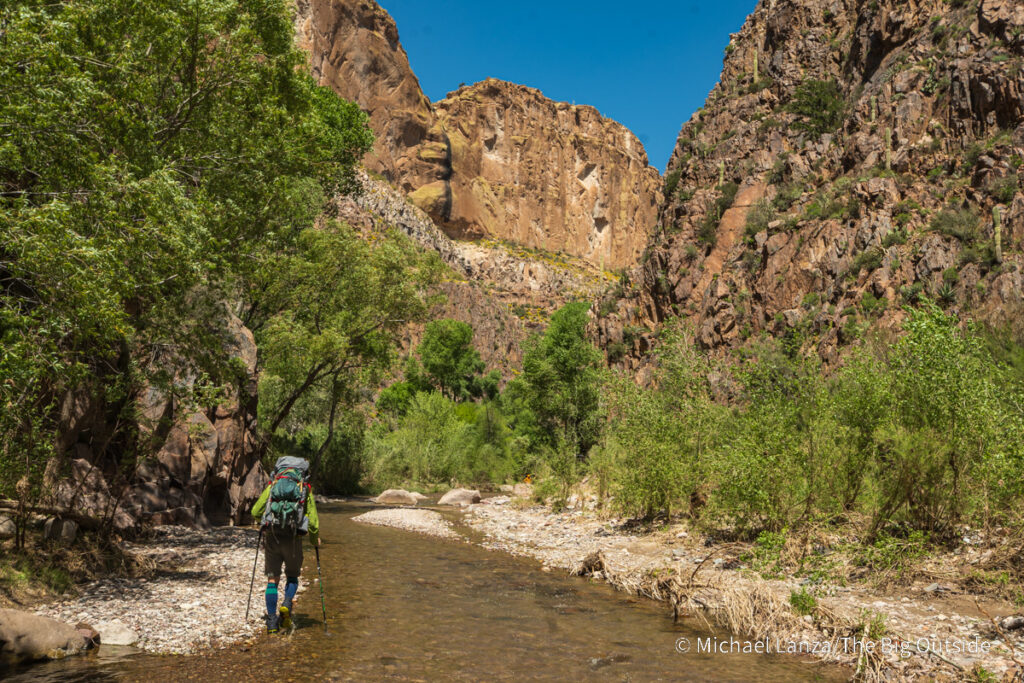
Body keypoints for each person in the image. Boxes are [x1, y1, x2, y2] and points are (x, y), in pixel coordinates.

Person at [251, 456, 320, 634]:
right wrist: (314, 540)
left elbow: (256, 511)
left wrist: (265, 523)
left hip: (272, 538)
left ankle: (272, 622)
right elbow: (312, 522)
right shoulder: (304, 488)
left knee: (272, 579)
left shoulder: (273, 485)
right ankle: (287, 603)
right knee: (292, 576)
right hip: (293, 540)